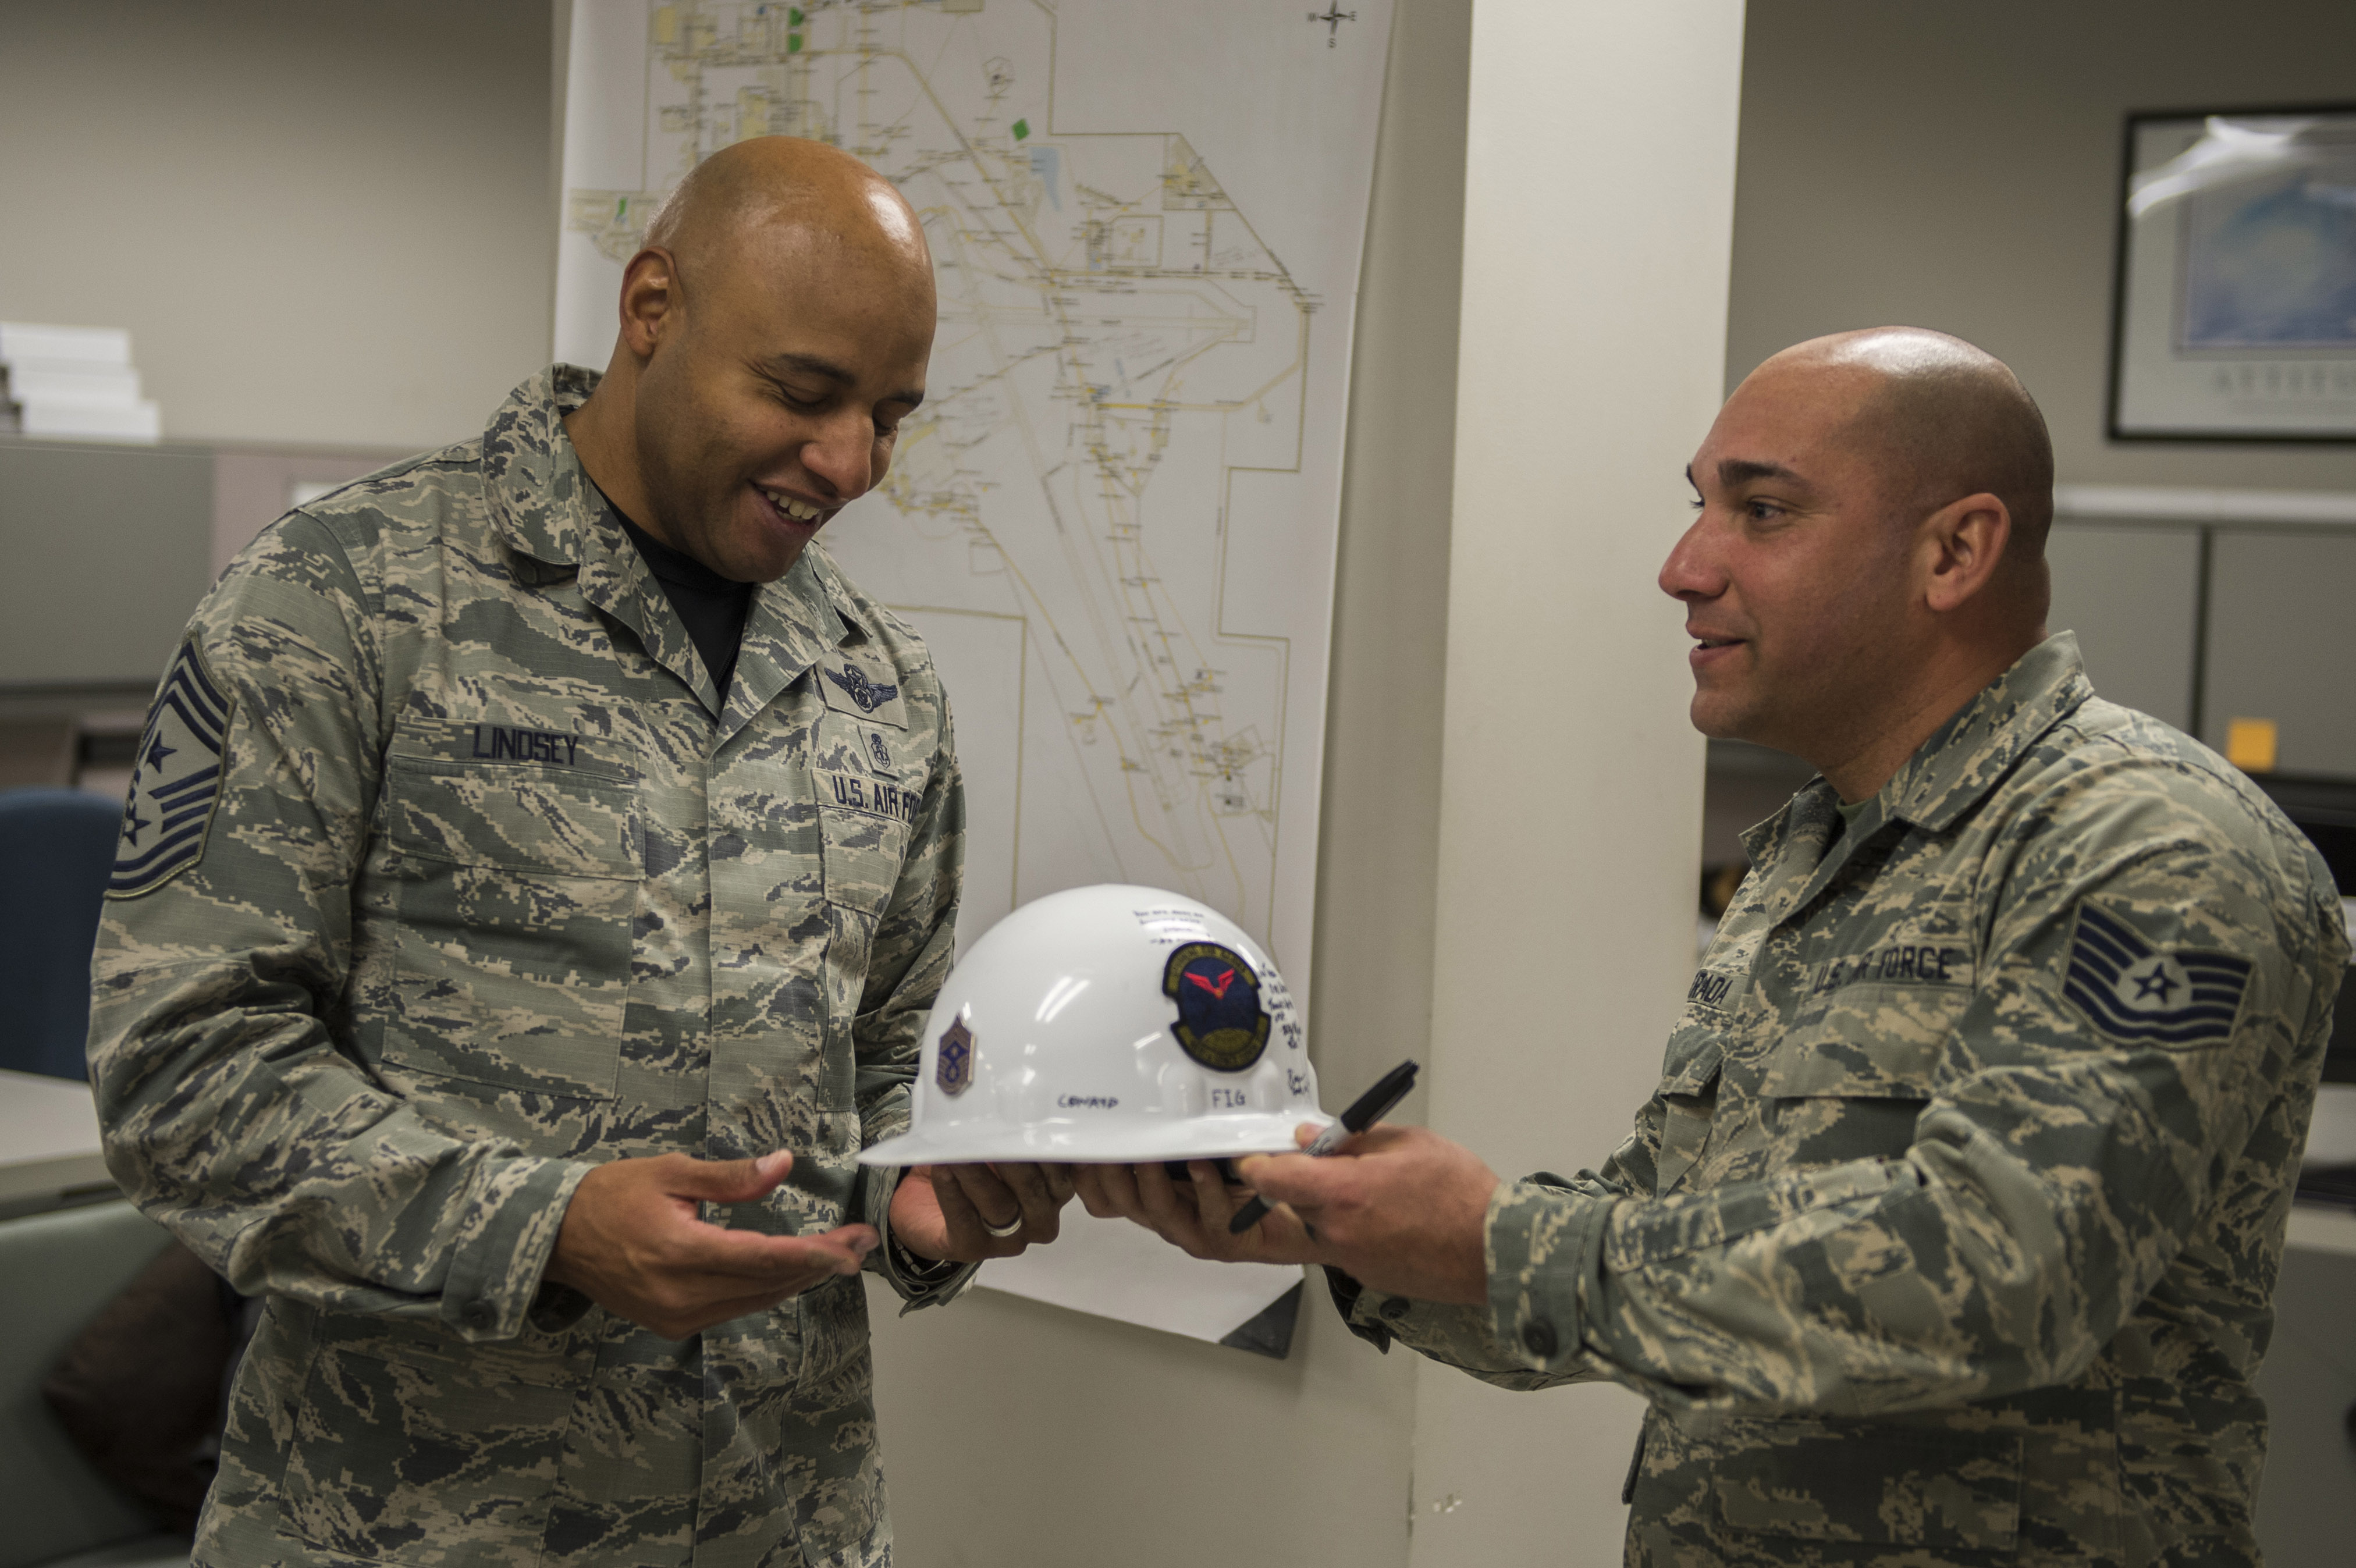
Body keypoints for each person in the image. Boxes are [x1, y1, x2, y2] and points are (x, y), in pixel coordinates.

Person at [1078, 328, 2349, 1566]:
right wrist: (1350, 1235)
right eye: (1700, 505)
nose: (1685, 565)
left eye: (1764, 512)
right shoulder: (1820, 845)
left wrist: (1498, 1239)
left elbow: (2006, 1273)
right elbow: (1679, 1230)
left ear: (1956, 550)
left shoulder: (2151, 845)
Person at [88, 136, 1072, 1568]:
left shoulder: (881, 682)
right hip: (408, 1527)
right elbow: (181, 1074)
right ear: (651, 308)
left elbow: (889, 1061)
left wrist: (929, 1204)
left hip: (781, 1519)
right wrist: (542, 1226)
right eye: (802, 394)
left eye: (892, 415)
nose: (850, 461)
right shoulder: (343, 603)